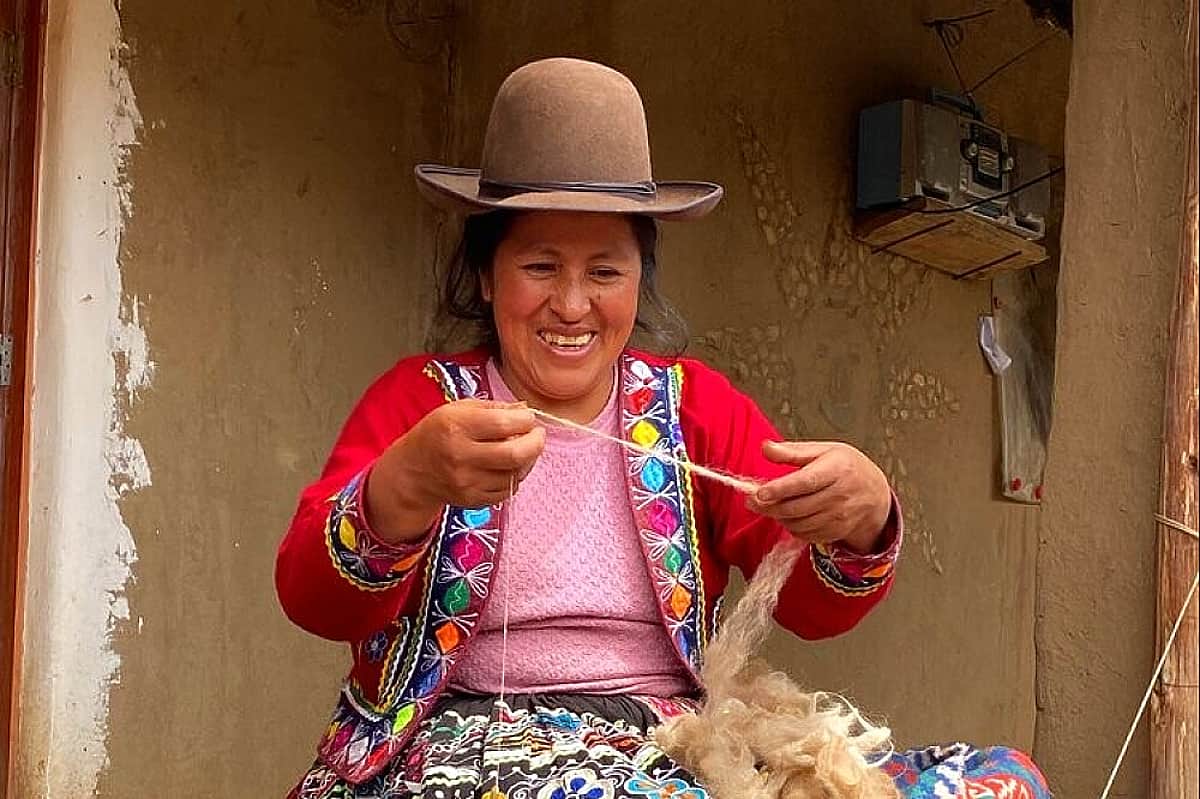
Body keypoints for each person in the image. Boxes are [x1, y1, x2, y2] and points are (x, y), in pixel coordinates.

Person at [276, 57, 1050, 799]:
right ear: (486, 275)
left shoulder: (689, 409)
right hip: (468, 745)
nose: (573, 305)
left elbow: (815, 608)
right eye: (541, 267)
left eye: (605, 272)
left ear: (639, 279)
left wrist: (863, 517)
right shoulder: (422, 403)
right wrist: (403, 484)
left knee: (1004, 780)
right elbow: (316, 599)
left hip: (667, 747)